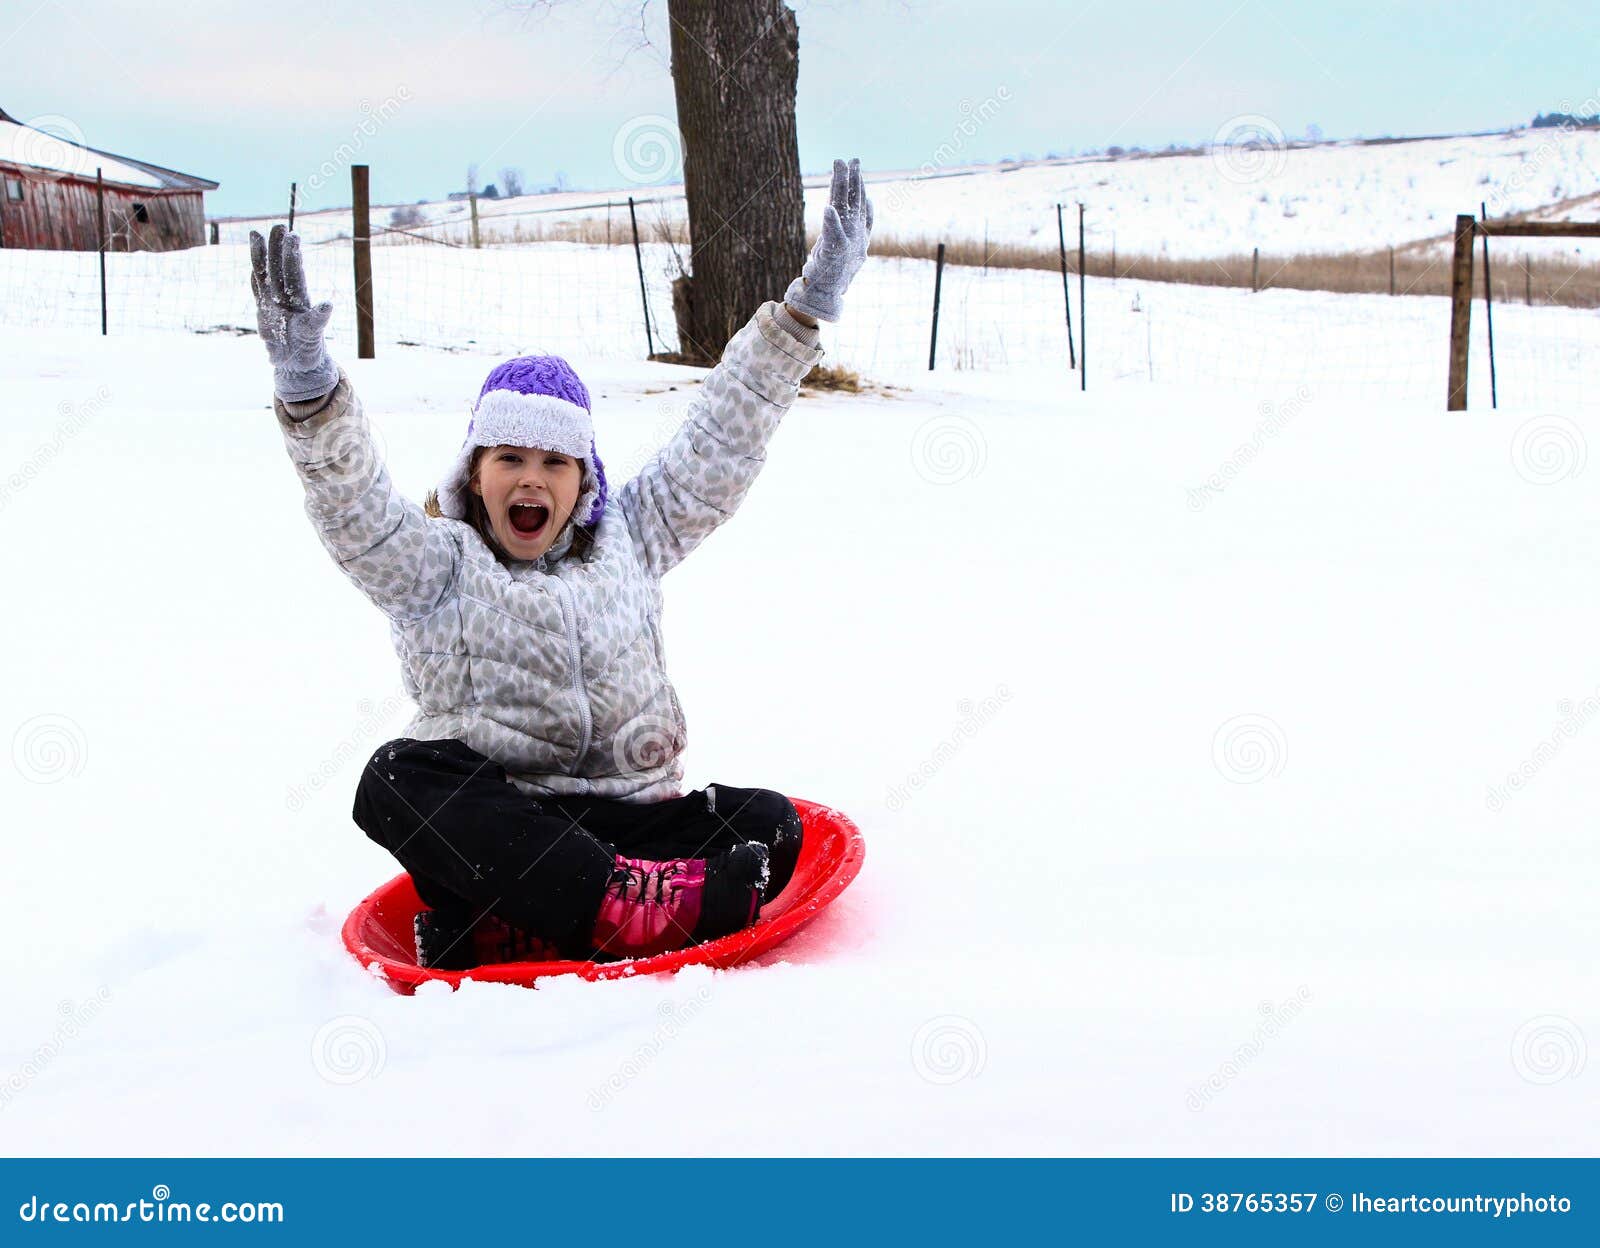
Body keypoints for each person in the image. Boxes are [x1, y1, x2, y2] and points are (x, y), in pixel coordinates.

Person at [251, 158, 874, 969]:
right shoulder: (435, 565)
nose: (531, 478)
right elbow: (352, 505)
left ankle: (534, 921)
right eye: (509, 456)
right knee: (395, 778)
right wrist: (309, 392)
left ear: (585, 483)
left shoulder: (635, 536)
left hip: (632, 820)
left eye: (555, 461)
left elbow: (723, 437)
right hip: (507, 830)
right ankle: (613, 908)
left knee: (772, 826)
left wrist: (801, 314)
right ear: (474, 472)